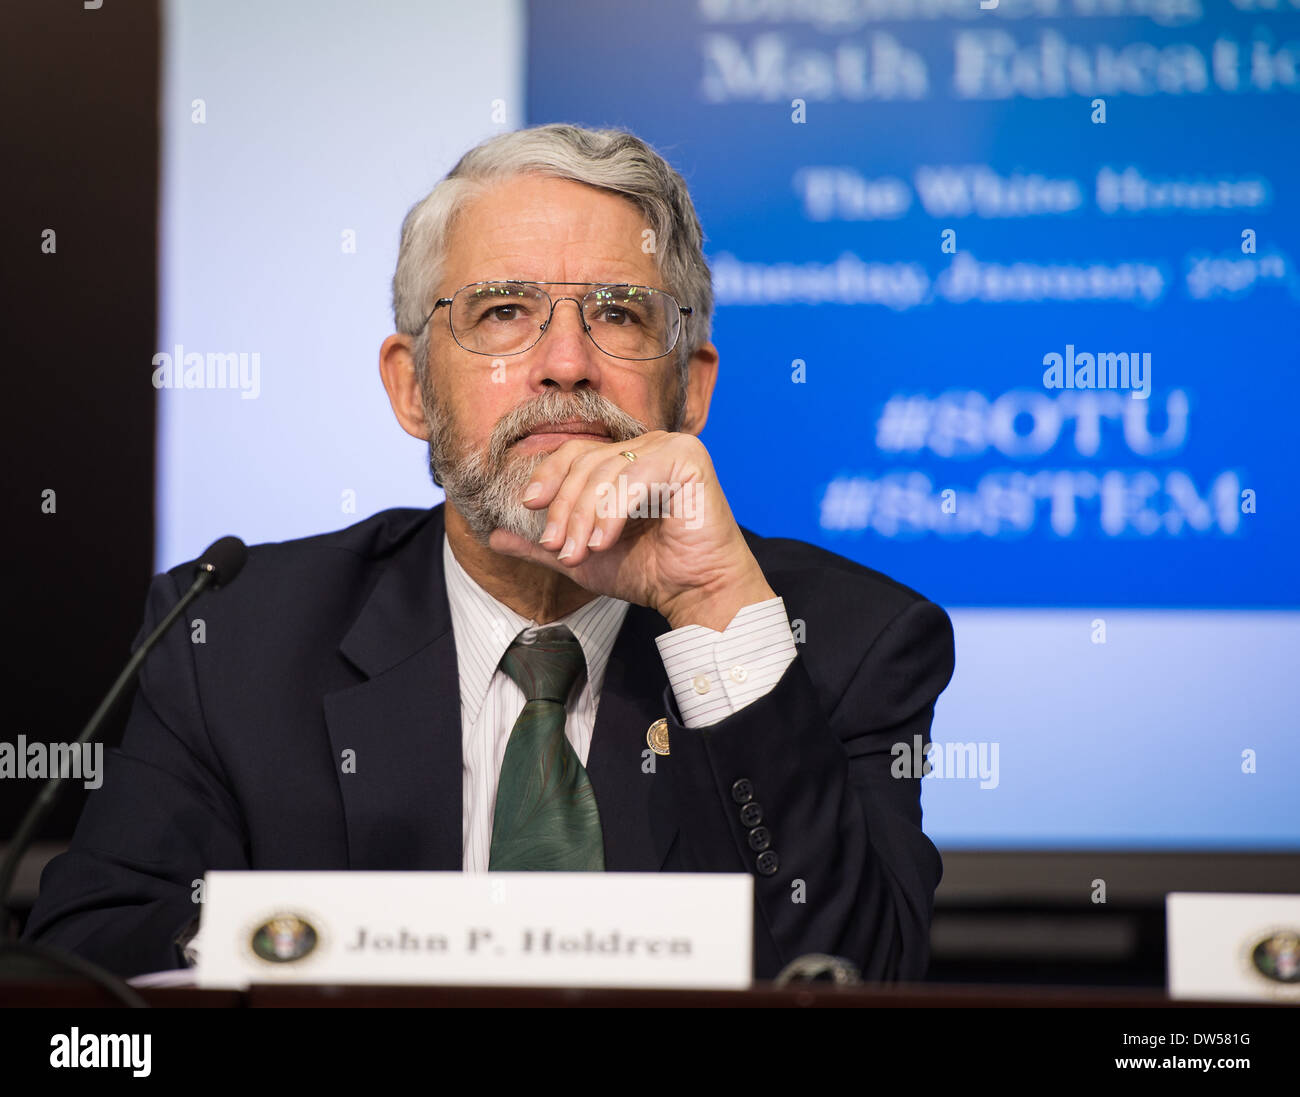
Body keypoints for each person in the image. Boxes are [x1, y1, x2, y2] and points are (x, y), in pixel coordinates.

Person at [23, 123, 955, 981]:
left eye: (620, 314)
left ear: (692, 388)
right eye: (505, 311)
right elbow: (86, 965)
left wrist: (712, 604)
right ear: (413, 387)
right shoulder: (229, 635)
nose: (565, 362)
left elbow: (863, 983)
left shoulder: (840, 643)